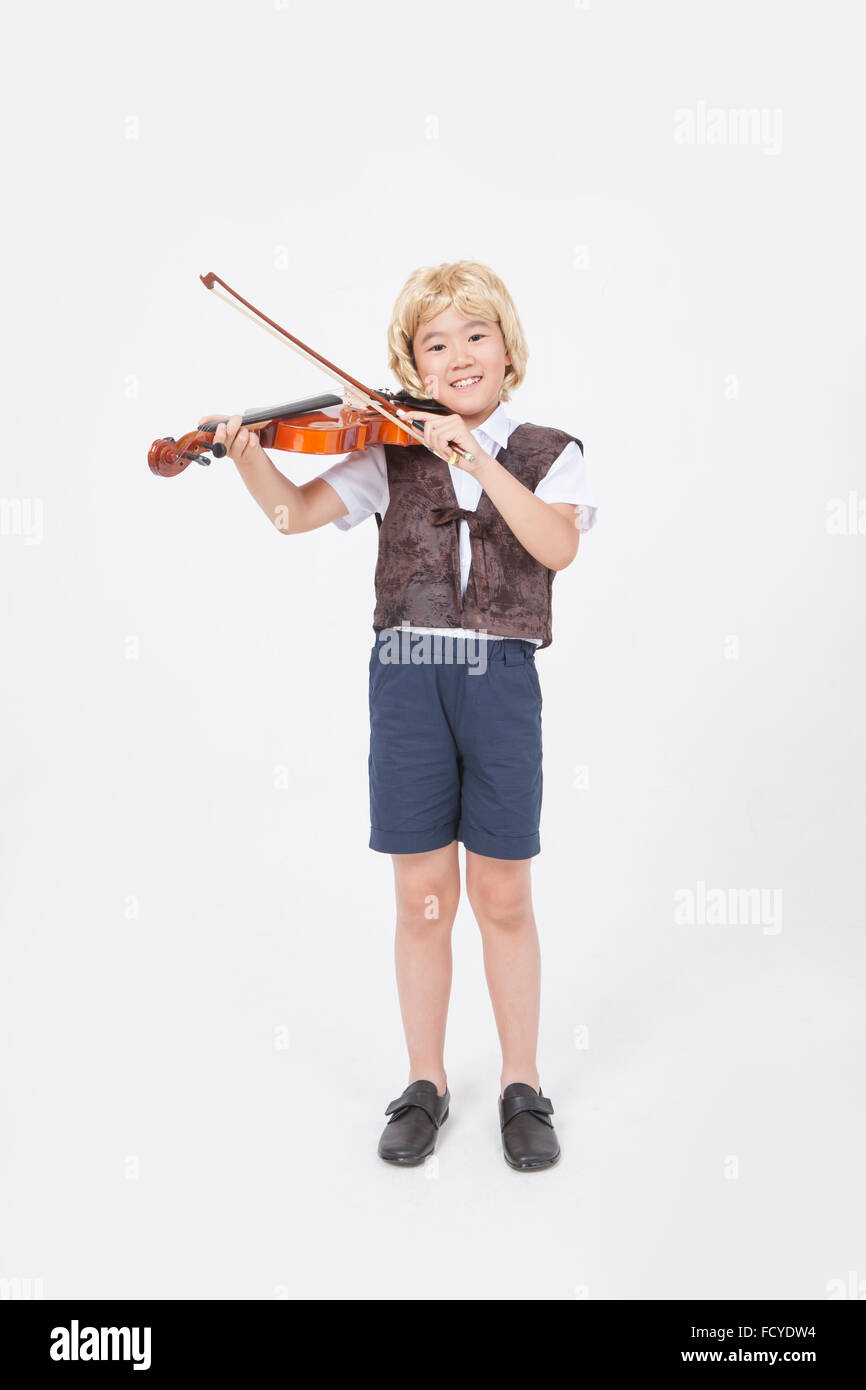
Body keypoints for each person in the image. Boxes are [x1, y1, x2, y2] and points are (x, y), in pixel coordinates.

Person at [201, 260, 598, 1171]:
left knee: (503, 893)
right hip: (408, 679)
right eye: (435, 342)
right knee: (423, 898)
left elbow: (557, 545)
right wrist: (251, 454)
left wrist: (481, 459)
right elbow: (292, 517)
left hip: (498, 680)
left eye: (474, 335)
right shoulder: (389, 448)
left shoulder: (548, 449)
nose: (458, 355)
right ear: (413, 365)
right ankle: (425, 1080)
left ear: (507, 347)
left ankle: (521, 1083)